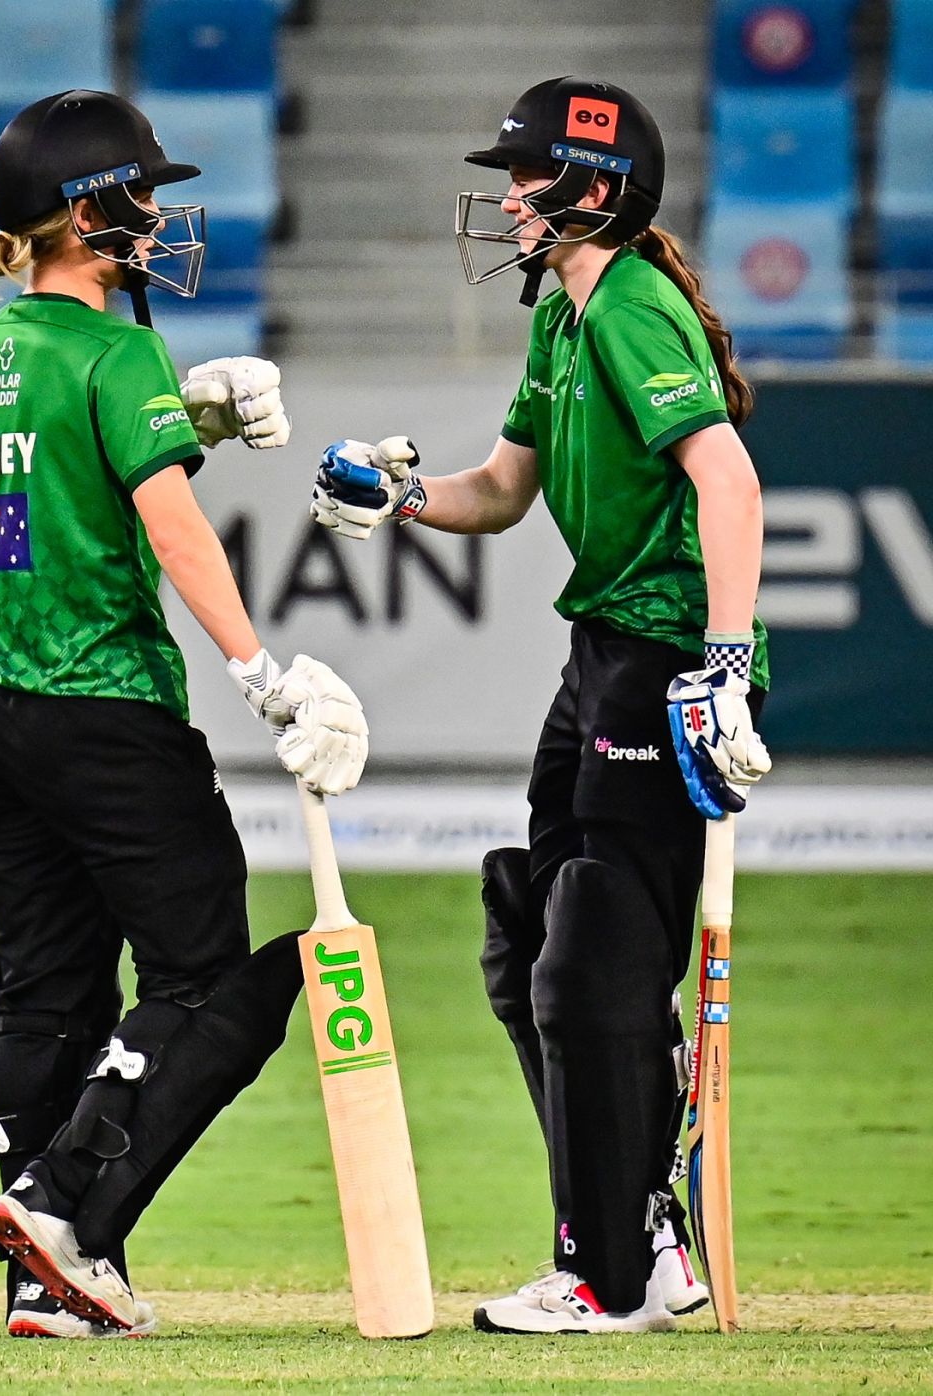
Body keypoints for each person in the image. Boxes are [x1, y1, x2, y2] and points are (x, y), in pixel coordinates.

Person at [310, 77, 771, 1335]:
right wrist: (401, 498)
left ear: (596, 191)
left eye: (528, 177)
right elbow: (503, 491)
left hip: (663, 657)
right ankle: (643, 1239)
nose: (508, 197)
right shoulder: (562, 320)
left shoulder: (628, 306)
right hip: (601, 655)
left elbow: (729, 484)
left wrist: (723, 661)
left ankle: (608, 1280)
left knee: (592, 971)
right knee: (527, 943)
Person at [0, 89, 369, 1339]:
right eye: (141, 196)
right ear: (87, 213)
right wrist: (261, 671)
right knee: (204, 987)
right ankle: (67, 1205)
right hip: (109, 714)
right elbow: (168, 527)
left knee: (43, 995)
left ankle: (51, 1278)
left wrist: (195, 421)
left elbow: (65, 484)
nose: (159, 218)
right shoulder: (119, 352)